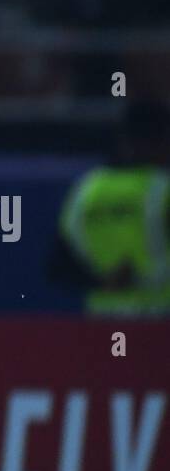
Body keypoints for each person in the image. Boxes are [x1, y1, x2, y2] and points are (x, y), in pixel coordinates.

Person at [50, 100, 170, 315]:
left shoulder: (86, 190)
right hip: (160, 325)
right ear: (159, 141)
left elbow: (58, 266)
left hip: (105, 326)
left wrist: (104, 280)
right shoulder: (163, 190)